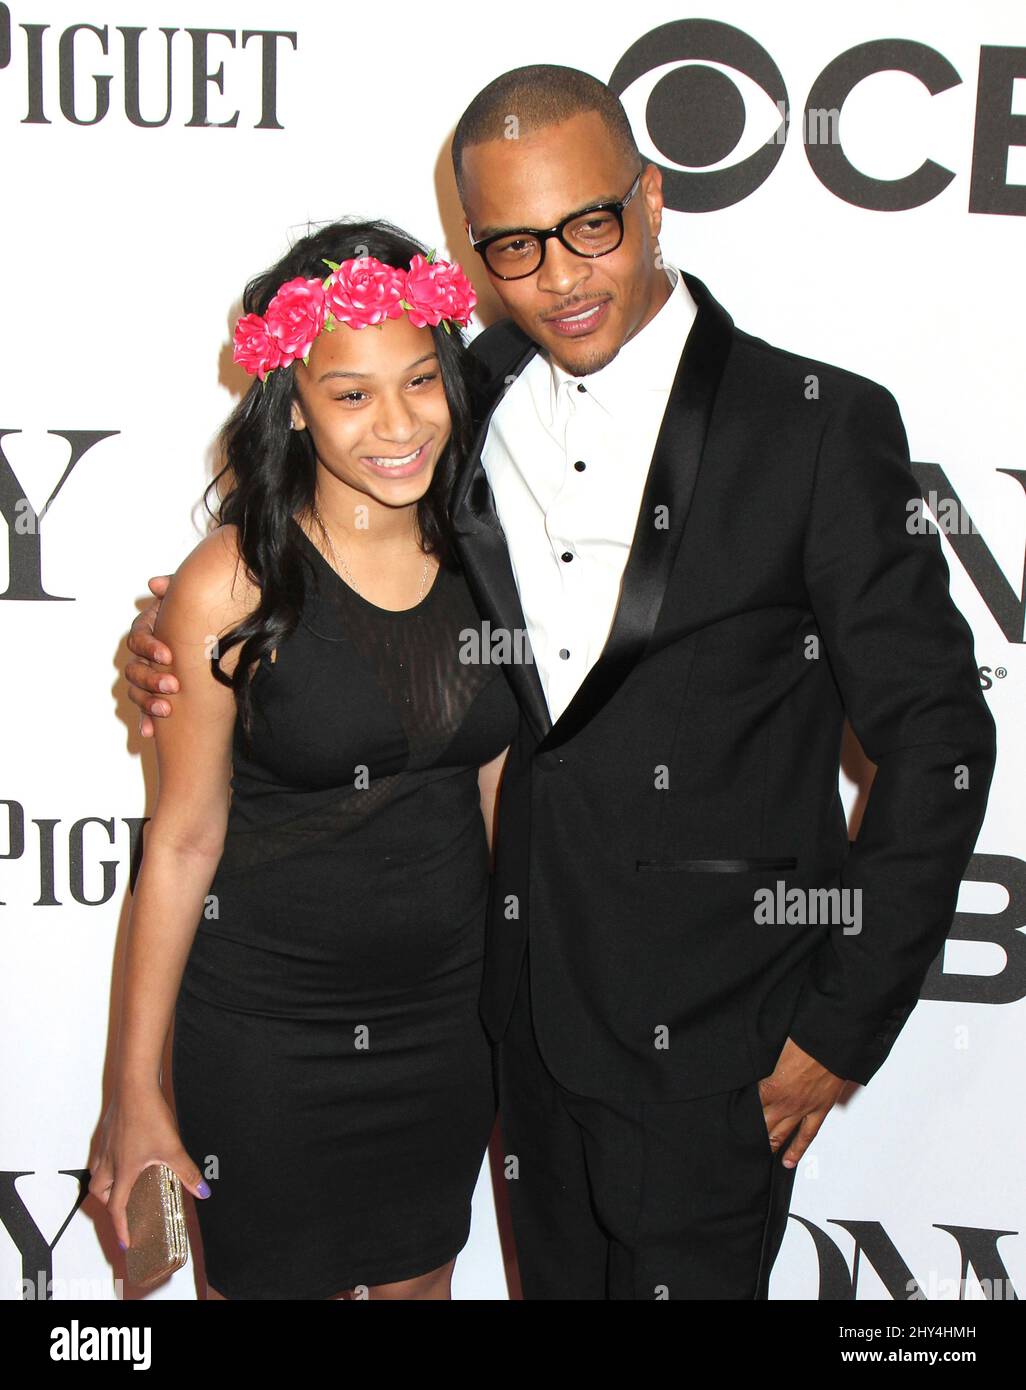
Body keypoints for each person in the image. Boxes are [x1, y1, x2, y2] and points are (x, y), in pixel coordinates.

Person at [123, 67, 997, 1300]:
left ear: (650, 200)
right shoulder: (461, 398)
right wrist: (172, 635)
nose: (563, 277)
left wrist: (838, 1031)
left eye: (591, 225)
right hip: (513, 1025)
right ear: (478, 255)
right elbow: (316, 553)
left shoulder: (814, 426)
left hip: (718, 1049)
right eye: (517, 246)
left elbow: (941, 741)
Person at [90, 219, 520, 1300]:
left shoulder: (497, 555)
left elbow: (502, 801)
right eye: (351, 392)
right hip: (266, 1043)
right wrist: (134, 1088)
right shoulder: (229, 585)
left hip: (445, 1029)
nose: (396, 423)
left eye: (421, 380)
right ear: (292, 403)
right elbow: (182, 840)